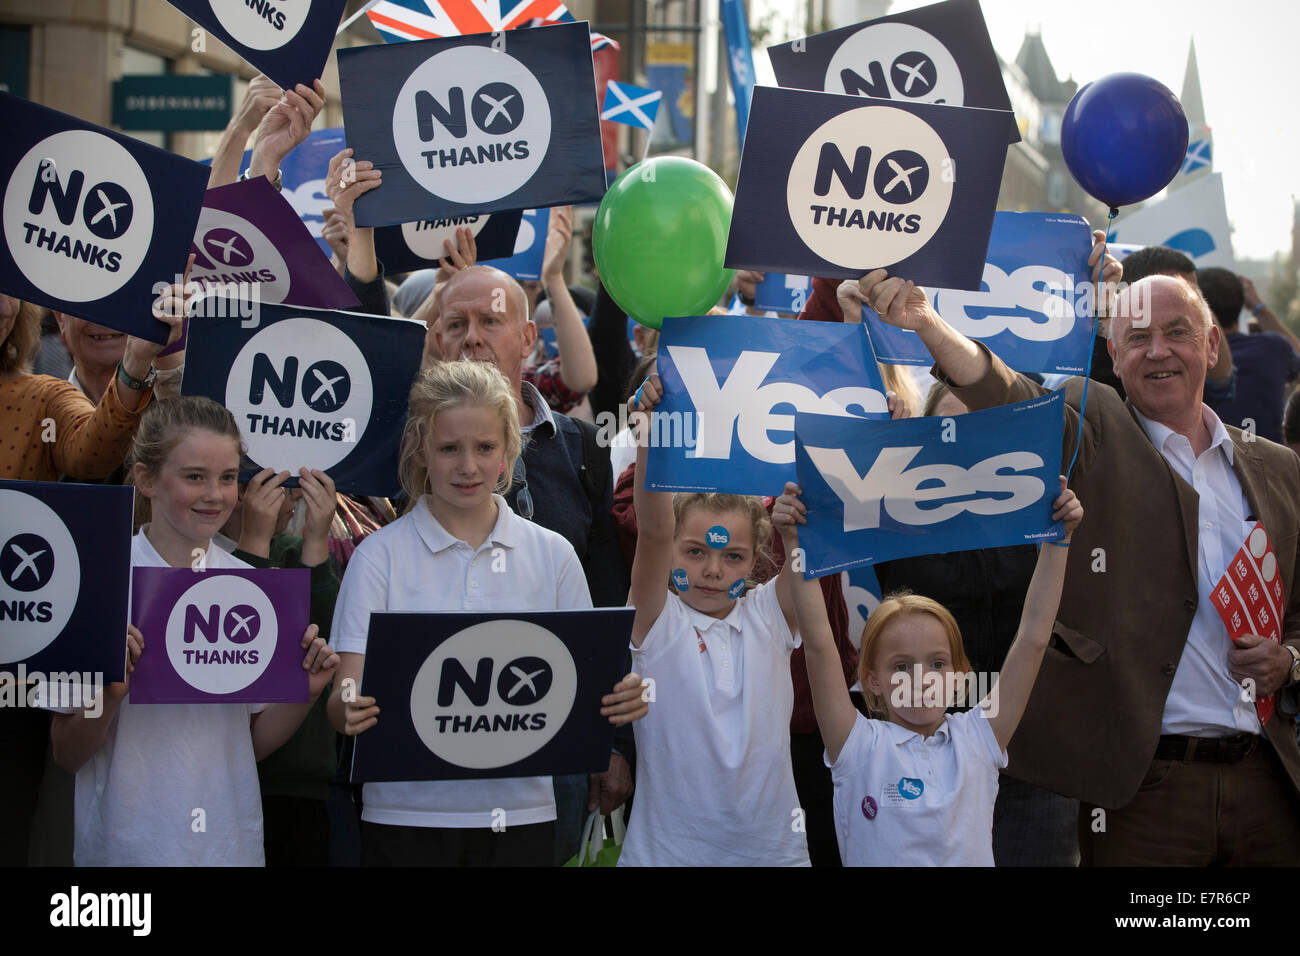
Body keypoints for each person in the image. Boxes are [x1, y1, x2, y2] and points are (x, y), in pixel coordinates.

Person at [857, 262, 1300, 865]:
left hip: (1268, 783)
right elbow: (1008, 398)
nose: (1158, 351)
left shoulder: (1278, 469)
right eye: (1137, 337)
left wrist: (1290, 657)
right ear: (1112, 356)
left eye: (1177, 332)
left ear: (1213, 342)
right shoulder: (1096, 428)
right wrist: (928, 326)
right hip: (1144, 792)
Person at [325, 360, 647, 866]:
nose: (467, 466)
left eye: (484, 448)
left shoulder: (553, 554)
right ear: (421, 450)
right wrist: (349, 707)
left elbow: (587, 684)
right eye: (449, 448)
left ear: (508, 452)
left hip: (524, 816)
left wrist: (618, 698)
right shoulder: (379, 555)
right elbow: (345, 690)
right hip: (404, 818)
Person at [47, 396, 340, 865]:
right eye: (194, 476)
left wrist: (305, 689)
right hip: (125, 849)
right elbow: (66, 753)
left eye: (227, 478)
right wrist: (110, 691)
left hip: (228, 847)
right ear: (146, 479)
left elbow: (251, 744)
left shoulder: (251, 586)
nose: (214, 495)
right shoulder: (94, 580)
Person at [773, 476, 1081, 865]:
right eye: (902, 665)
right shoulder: (856, 745)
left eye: (937, 663)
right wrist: (795, 544)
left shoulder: (979, 739)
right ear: (872, 679)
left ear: (959, 674)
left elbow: (1034, 636)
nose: (921, 678)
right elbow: (818, 642)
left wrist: (1059, 541)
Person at [619, 372, 809, 867]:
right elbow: (653, 533)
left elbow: (814, 537)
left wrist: (880, 422)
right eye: (695, 551)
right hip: (666, 855)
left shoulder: (770, 614)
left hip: (774, 854)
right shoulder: (657, 623)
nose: (711, 570)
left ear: (755, 560)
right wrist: (650, 440)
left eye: (733, 557)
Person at [215, 466, 342, 867]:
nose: (281, 498)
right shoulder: (199, 557)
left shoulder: (297, 551)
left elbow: (322, 636)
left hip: (298, 781)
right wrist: (253, 541)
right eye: (257, 484)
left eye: (288, 487)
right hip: (222, 778)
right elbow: (231, 645)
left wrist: (316, 540)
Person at [1197, 268, 1300, 444]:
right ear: (1241, 302)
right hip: (1272, 465)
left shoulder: (1193, 360)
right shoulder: (1274, 347)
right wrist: (1258, 306)